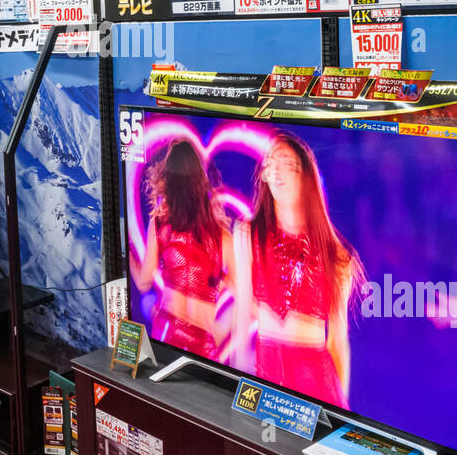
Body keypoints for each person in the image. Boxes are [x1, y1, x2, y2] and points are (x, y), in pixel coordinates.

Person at [243, 133, 363, 408]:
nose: (278, 173)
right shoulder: (251, 238)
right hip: (266, 381)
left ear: (306, 177)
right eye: (272, 164)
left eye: (289, 165)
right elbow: (248, 309)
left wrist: (341, 415)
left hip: (317, 388)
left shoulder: (337, 258)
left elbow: (338, 340)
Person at [131, 140, 234, 360]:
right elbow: (239, 291)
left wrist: (128, 255)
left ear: (167, 178)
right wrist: (218, 280)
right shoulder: (222, 235)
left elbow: (143, 283)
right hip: (204, 338)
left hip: (167, 327)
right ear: (201, 180)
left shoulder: (160, 225)